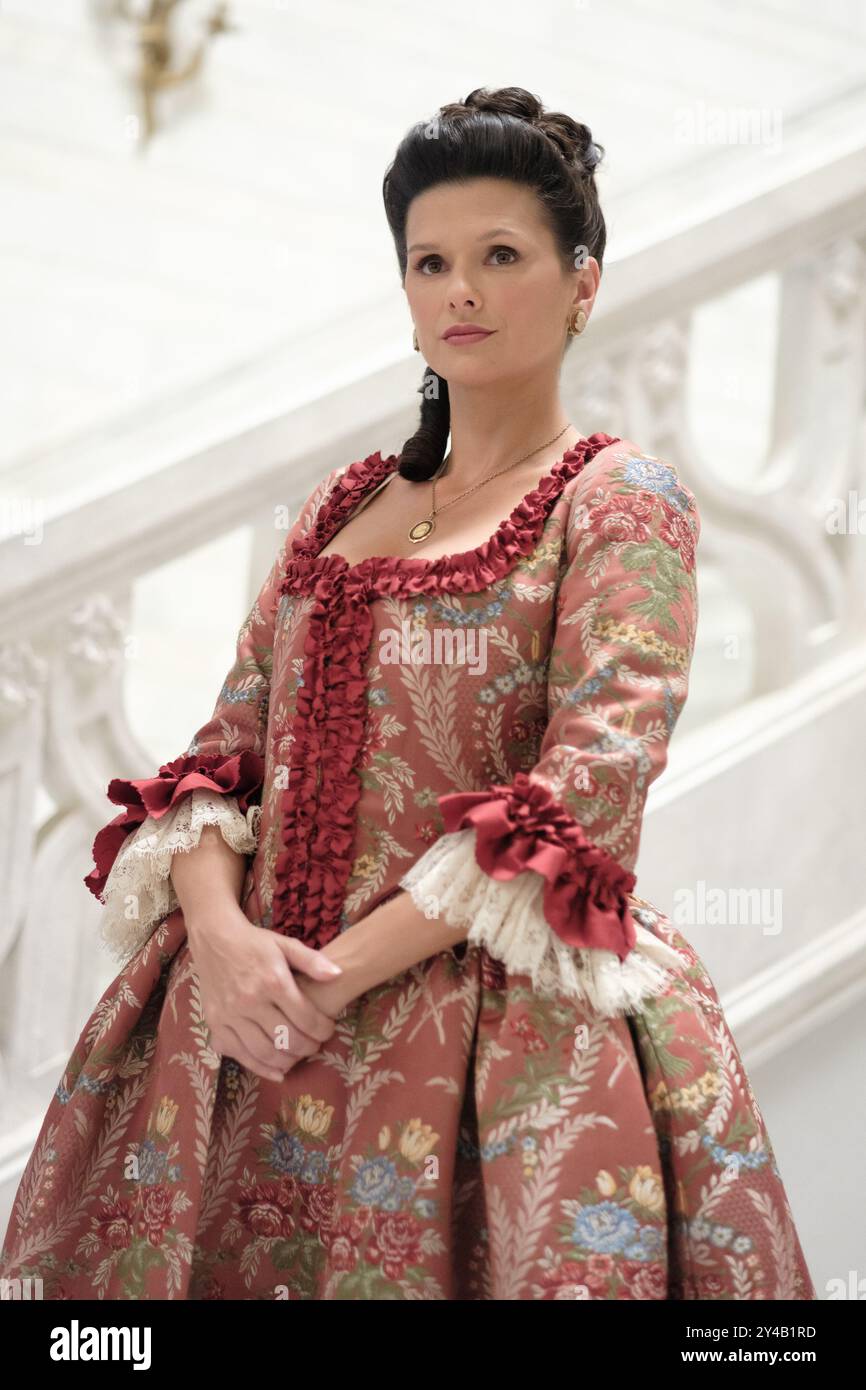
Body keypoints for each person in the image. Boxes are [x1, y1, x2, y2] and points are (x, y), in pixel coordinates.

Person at [0, 85, 815, 1301]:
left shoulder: (619, 501)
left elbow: (582, 795)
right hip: (238, 1020)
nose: (461, 292)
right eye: (429, 262)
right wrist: (222, 945)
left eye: (500, 256)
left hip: (489, 1041)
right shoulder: (341, 504)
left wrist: (321, 981)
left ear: (582, 281)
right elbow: (221, 752)